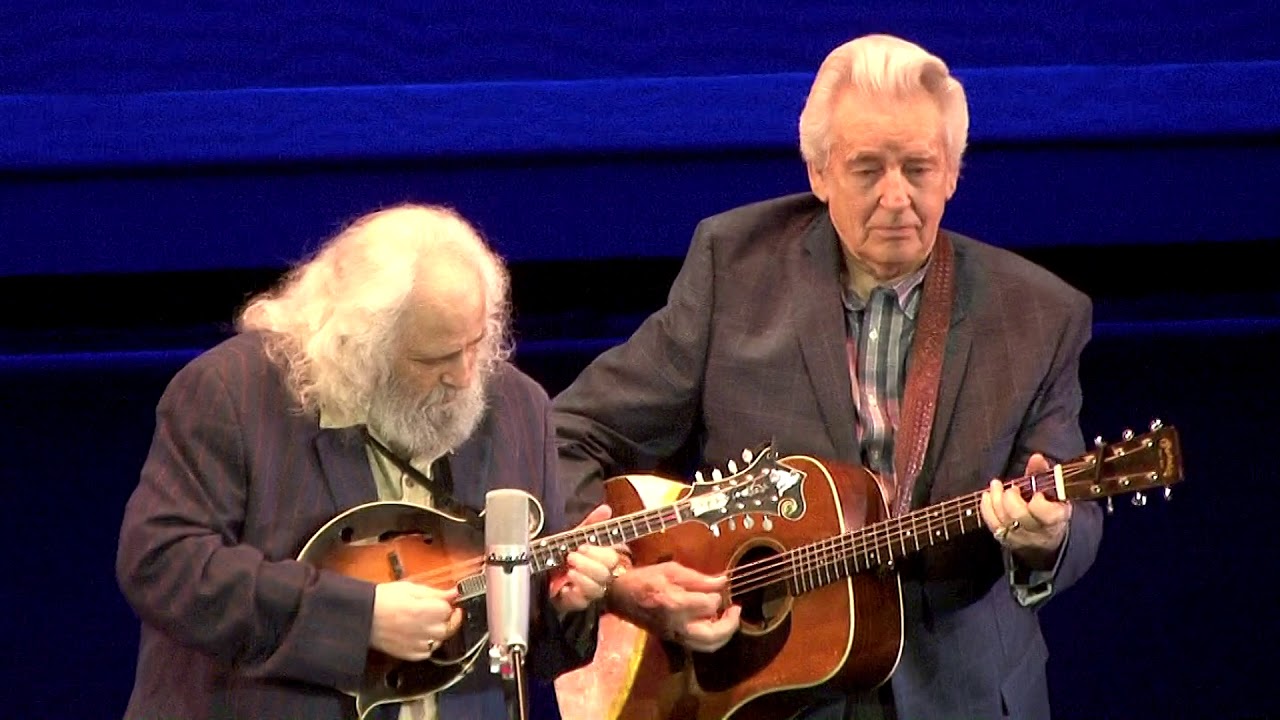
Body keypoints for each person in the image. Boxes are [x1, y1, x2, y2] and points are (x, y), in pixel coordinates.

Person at [552, 33, 1103, 720]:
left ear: (954, 171)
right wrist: (622, 577)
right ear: (818, 174)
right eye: (868, 170)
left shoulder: (1039, 314)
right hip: (761, 686)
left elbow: (1075, 509)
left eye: (920, 168)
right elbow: (570, 434)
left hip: (963, 693)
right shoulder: (735, 268)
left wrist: (1047, 536)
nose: (897, 197)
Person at [116, 203, 622, 720]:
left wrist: (564, 602)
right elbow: (163, 565)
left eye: (475, 344)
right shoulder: (233, 393)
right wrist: (360, 619)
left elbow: (536, 653)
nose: (466, 376)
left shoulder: (518, 406)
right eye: (433, 359)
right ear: (362, 345)